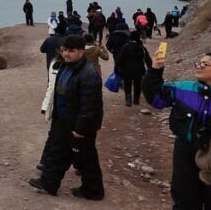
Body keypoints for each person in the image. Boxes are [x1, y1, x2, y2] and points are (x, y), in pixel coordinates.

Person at [29, 35, 104, 201]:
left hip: (80, 125)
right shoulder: (66, 66)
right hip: (63, 119)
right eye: (64, 50)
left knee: (86, 158)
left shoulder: (88, 74)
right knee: (59, 151)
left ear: (81, 51)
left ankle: (94, 191)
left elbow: (90, 106)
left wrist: (80, 129)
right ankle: (49, 183)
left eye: (71, 51)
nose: (66, 54)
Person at [143, 52, 211, 208]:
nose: (199, 66)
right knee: (184, 198)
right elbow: (156, 98)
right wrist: (155, 70)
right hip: (185, 152)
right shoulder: (184, 88)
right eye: (198, 62)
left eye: (204, 64)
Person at [115, 31, 152, 107]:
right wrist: (150, 68)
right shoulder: (141, 47)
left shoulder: (126, 47)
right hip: (139, 70)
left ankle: (128, 100)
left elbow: (120, 59)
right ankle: (136, 100)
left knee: (127, 84)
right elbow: (148, 59)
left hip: (127, 70)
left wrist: (116, 68)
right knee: (137, 85)